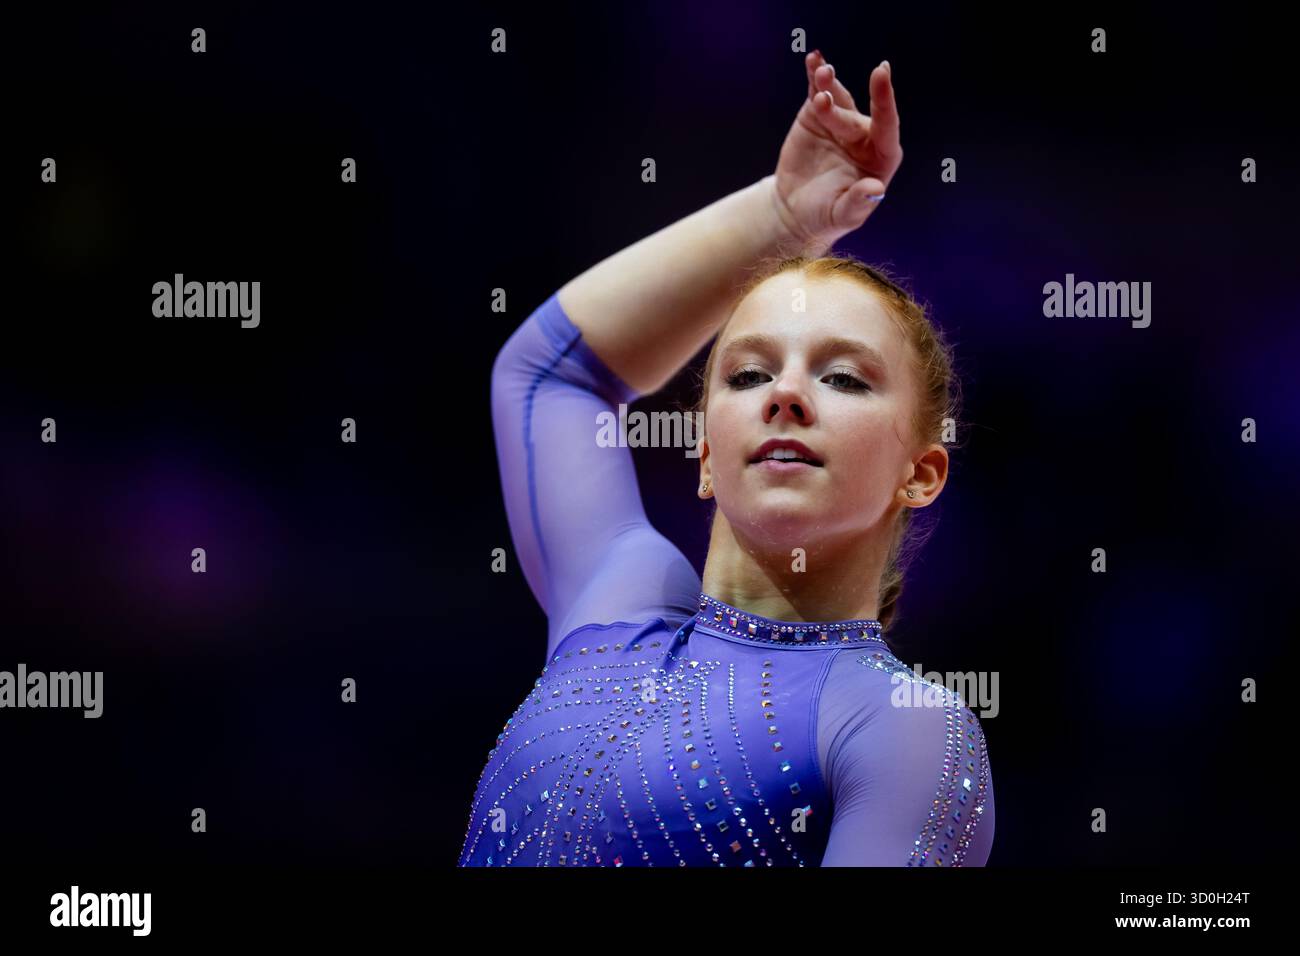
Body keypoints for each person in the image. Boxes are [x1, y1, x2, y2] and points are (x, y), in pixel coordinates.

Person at [459, 51, 994, 866]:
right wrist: (784, 218)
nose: (786, 395)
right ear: (706, 454)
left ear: (919, 474)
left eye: (843, 377)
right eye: (748, 373)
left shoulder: (895, 724)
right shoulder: (619, 604)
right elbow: (549, 374)